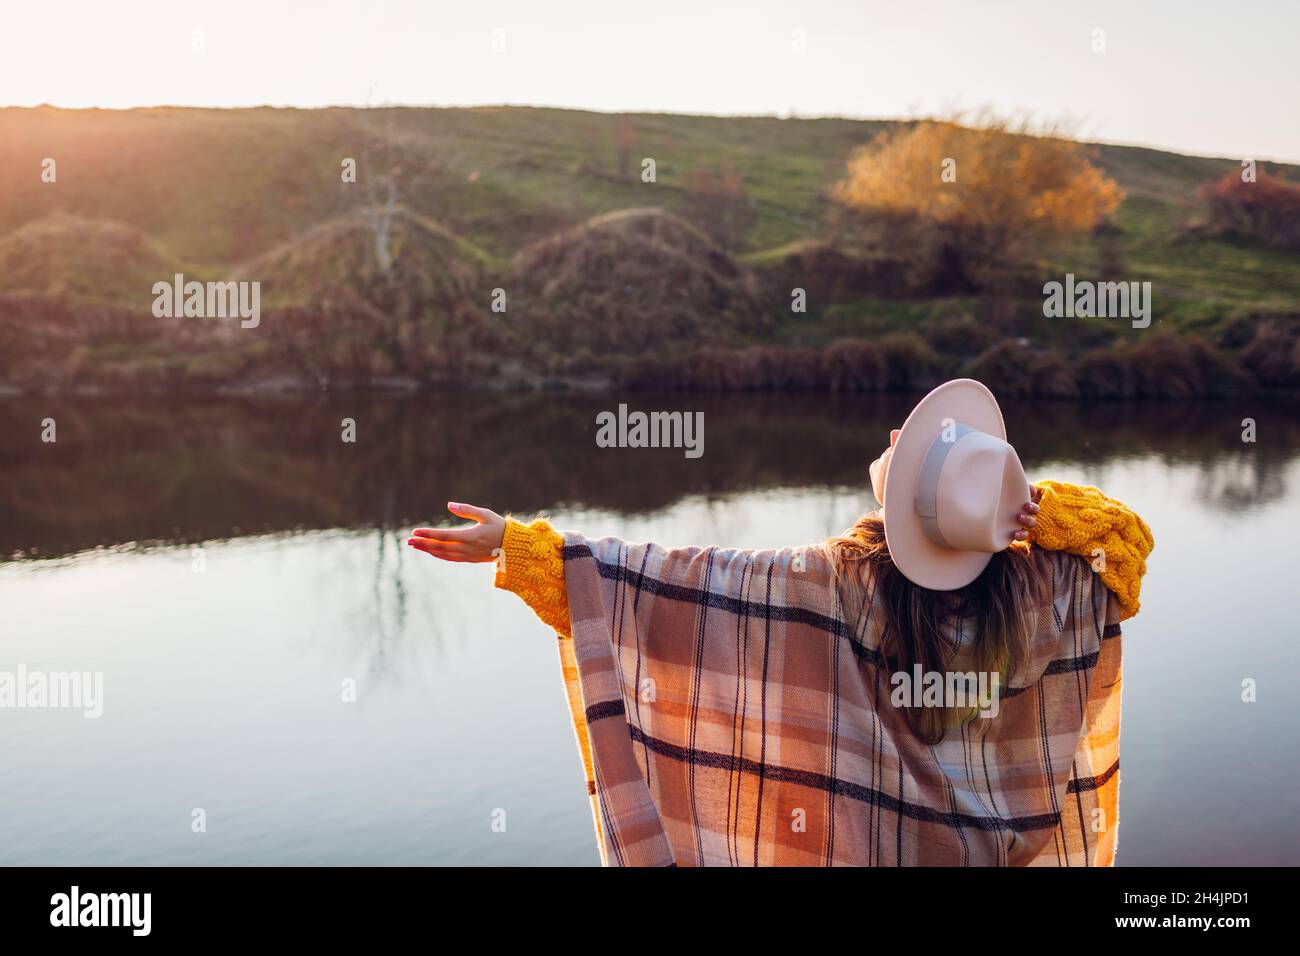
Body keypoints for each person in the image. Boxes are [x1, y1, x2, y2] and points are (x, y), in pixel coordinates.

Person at [408, 379, 1153, 866]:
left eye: (910, 445)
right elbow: (1124, 545)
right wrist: (1031, 512)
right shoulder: (1049, 592)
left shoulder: (832, 585)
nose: (896, 436)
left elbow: (673, 583)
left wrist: (521, 547)